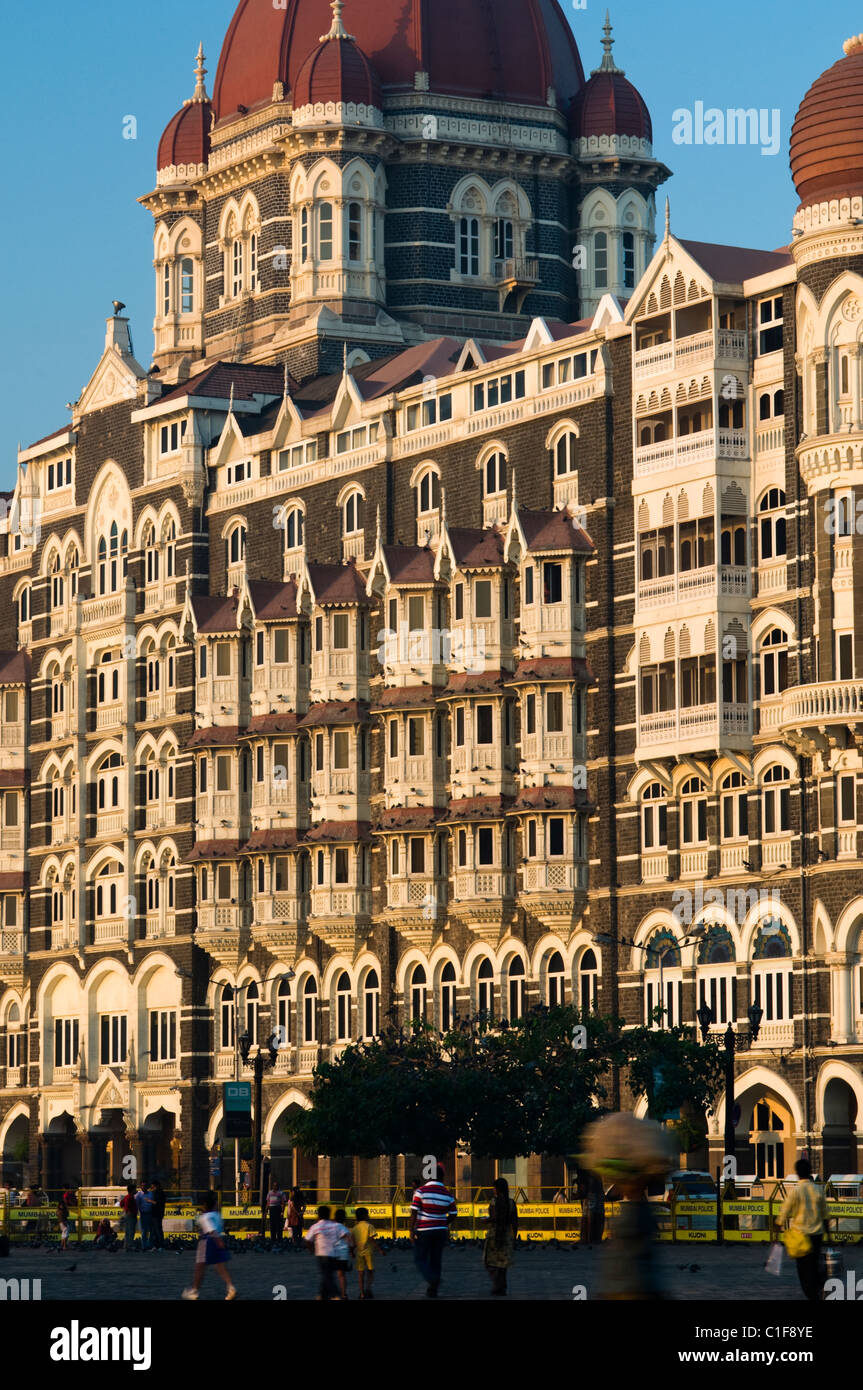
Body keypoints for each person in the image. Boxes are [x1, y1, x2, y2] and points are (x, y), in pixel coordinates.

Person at [778, 1158, 830, 1302]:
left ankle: (812, 1294)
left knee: (803, 1270)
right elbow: (825, 1214)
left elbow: (784, 1211)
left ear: (797, 1173)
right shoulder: (818, 1189)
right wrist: (829, 1235)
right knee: (814, 1265)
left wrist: (778, 1227)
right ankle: (818, 1288)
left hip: (800, 1237)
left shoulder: (795, 1191)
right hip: (817, 1235)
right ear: (810, 1173)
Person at [409, 1161, 457, 1298]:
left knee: (420, 1258)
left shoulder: (420, 1192)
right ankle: (433, 1290)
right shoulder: (447, 1194)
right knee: (436, 1259)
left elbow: (414, 1213)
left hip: (424, 1230)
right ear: (442, 1178)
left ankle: (432, 1279)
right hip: (441, 1231)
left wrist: (411, 1231)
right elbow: (454, 1213)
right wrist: (443, 1222)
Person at [182, 1192, 237, 1301]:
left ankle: (194, 1291)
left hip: (207, 1242)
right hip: (218, 1240)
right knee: (220, 1267)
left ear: (204, 1205)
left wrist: (218, 1240)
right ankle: (231, 1287)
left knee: (199, 1268)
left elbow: (211, 1230)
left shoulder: (205, 1217)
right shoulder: (217, 1215)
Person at [482, 1177, 518, 1295]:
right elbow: (515, 1222)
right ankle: (502, 1285)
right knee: (503, 1264)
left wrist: (485, 1220)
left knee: (489, 1262)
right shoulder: (511, 1203)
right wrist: (515, 1237)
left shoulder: (494, 1201)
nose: (493, 1190)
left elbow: (494, 1218)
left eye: (494, 1188)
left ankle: (497, 1285)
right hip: (507, 1235)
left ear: (498, 1189)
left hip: (495, 1234)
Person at [304, 1204, 347, 1300]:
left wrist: (312, 1249)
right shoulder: (334, 1225)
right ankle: (322, 1295)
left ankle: (335, 1295)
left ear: (318, 1215)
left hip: (321, 1254)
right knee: (327, 1274)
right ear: (329, 1215)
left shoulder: (316, 1226)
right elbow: (345, 1235)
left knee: (327, 1275)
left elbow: (307, 1240)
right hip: (333, 1254)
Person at [353, 1207, 377, 1300]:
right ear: (364, 1216)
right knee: (370, 1271)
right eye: (367, 1214)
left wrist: (351, 1251)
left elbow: (353, 1242)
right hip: (369, 1252)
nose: (368, 1216)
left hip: (359, 1253)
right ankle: (368, 1289)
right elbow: (372, 1239)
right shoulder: (369, 1226)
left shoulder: (355, 1228)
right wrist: (380, 1249)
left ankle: (362, 1293)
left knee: (360, 1273)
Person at [331, 1207, 355, 1298]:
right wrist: (352, 1252)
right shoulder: (344, 1228)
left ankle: (334, 1293)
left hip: (333, 1253)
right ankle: (343, 1293)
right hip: (343, 1254)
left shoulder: (331, 1228)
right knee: (342, 1276)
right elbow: (350, 1242)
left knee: (333, 1275)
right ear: (344, 1218)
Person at [266, 1180, 286, 1247]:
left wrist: (282, 1211)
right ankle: (273, 1239)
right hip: (272, 1209)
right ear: (272, 1186)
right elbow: (268, 1202)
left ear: (278, 1186)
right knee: (272, 1225)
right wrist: (266, 1210)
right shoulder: (270, 1193)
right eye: (274, 1185)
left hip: (278, 1209)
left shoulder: (281, 1193)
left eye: (276, 1185)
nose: (275, 1187)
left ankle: (279, 1239)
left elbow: (283, 1202)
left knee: (279, 1225)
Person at [137, 1182, 155, 1252]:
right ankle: (144, 1246)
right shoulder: (139, 1194)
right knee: (144, 1230)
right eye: (142, 1186)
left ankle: (149, 1245)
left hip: (150, 1213)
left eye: (144, 1186)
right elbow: (136, 1202)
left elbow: (154, 1202)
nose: (143, 1187)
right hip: (143, 1213)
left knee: (151, 1230)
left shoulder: (151, 1193)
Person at [121, 1182, 138, 1252]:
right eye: (135, 1189)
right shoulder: (130, 1197)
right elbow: (127, 1206)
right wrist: (129, 1211)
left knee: (128, 1231)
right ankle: (130, 1246)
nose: (136, 1190)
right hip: (131, 1215)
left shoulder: (126, 1197)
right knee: (131, 1231)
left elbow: (121, 1204)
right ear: (132, 1190)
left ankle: (126, 1246)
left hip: (128, 1215)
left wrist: (125, 1209)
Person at [150, 1181, 166, 1250]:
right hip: (154, 1213)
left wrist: (149, 1201)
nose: (152, 1189)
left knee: (158, 1230)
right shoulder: (155, 1193)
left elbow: (158, 1203)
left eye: (153, 1187)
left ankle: (161, 1245)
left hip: (157, 1214)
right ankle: (156, 1245)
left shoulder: (160, 1193)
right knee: (154, 1231)